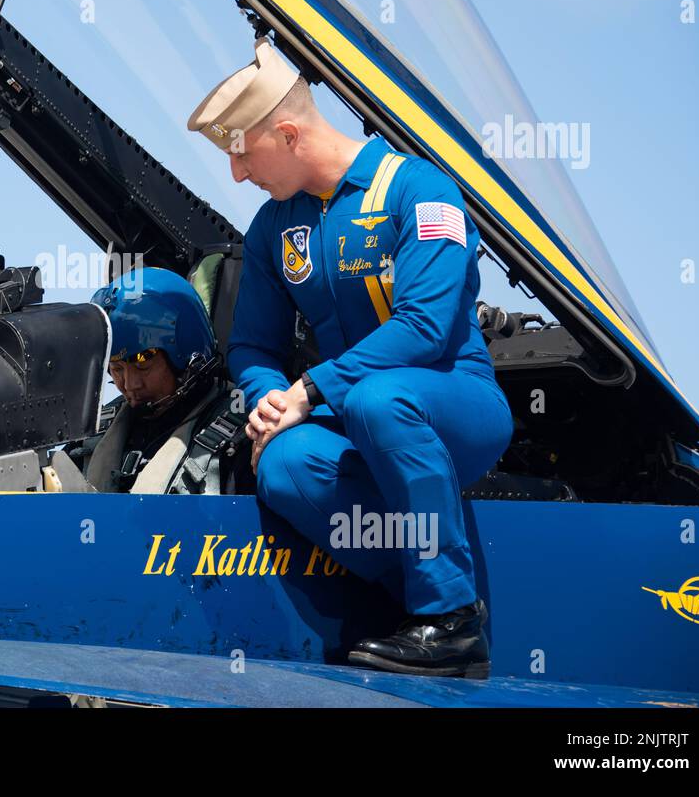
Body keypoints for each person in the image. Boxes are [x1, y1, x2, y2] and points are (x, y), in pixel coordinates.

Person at [186, 37, 514, 678]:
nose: (237, 175)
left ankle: (452, 621)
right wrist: (269, 400)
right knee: (281, 466)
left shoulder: (422, 191)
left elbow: (423, 328)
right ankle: (413, 595)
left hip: (451, 404)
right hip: (351, 418)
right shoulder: (274, 228)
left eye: (243, 155)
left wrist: (307, 391)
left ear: (286, 133)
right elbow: (252, 345)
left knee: (378, 398)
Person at [66, 267, 250, 495]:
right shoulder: (94, 433)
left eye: (143, 364)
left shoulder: (243, 436)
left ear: (186, 355)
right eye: (116, 368)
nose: (130, 384)